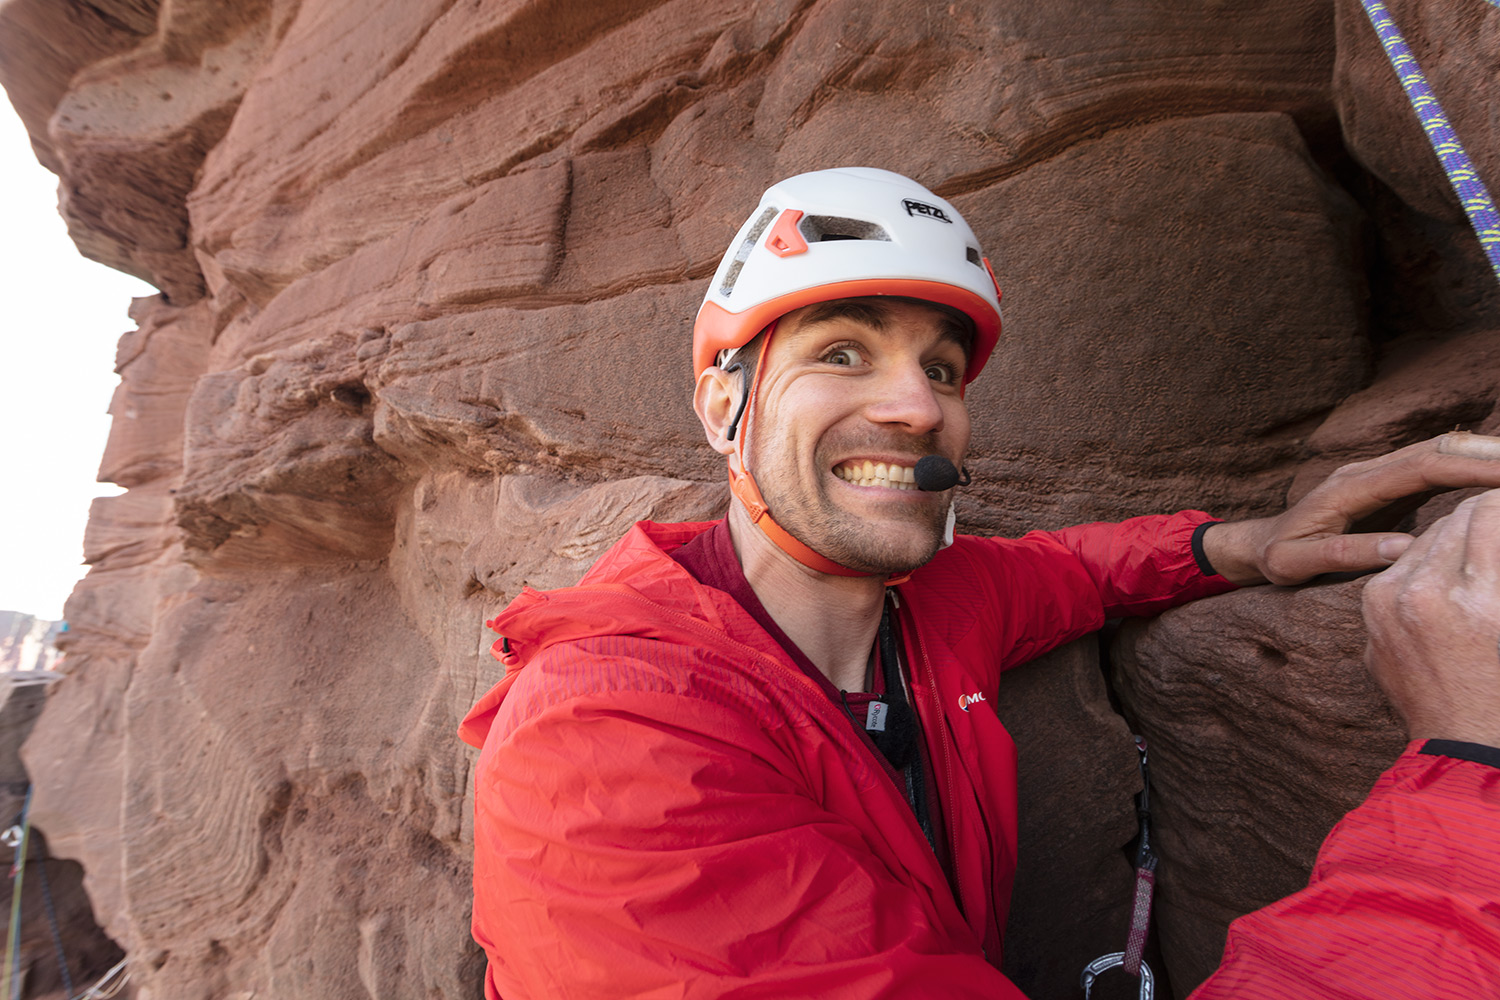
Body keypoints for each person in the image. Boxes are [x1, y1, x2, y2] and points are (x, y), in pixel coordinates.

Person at [460, 167, 1500, 999]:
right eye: (844, 351)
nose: (917, 407)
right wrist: (1469, 762)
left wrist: (1252, 543)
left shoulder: (928, 609)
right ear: (722, 406)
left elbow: (1076, 570)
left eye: (943, 369)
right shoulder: (605, 744)